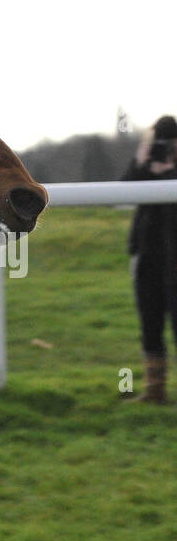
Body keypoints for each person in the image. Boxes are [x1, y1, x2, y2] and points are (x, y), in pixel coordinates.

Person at [123, 115, 177, 403]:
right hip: (148, 257)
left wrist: (168, 173)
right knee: (150, 324)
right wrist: (141, 162)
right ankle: (155, 390)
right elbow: (121, 192)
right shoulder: (147, 166)